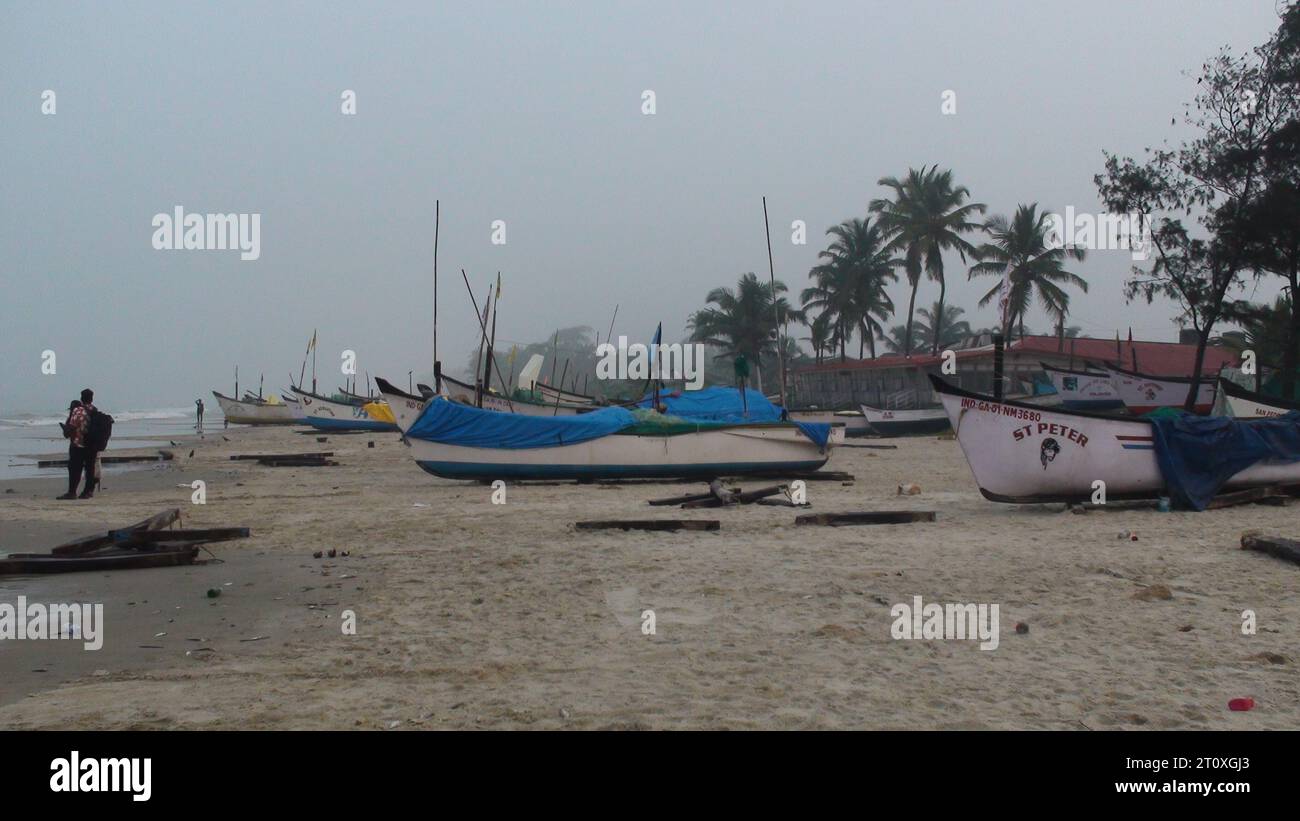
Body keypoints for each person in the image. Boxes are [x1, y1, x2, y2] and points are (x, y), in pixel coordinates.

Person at [58, 389, 97, 499]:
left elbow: (72, 427)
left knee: (75, 469)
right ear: (91, 398)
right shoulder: (94, 410)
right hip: (92, 445)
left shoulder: (78, 410)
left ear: (81, 398)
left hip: (78, 444)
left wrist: (65, 429)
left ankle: (72, 492)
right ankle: (88, 492)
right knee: (90, 468)